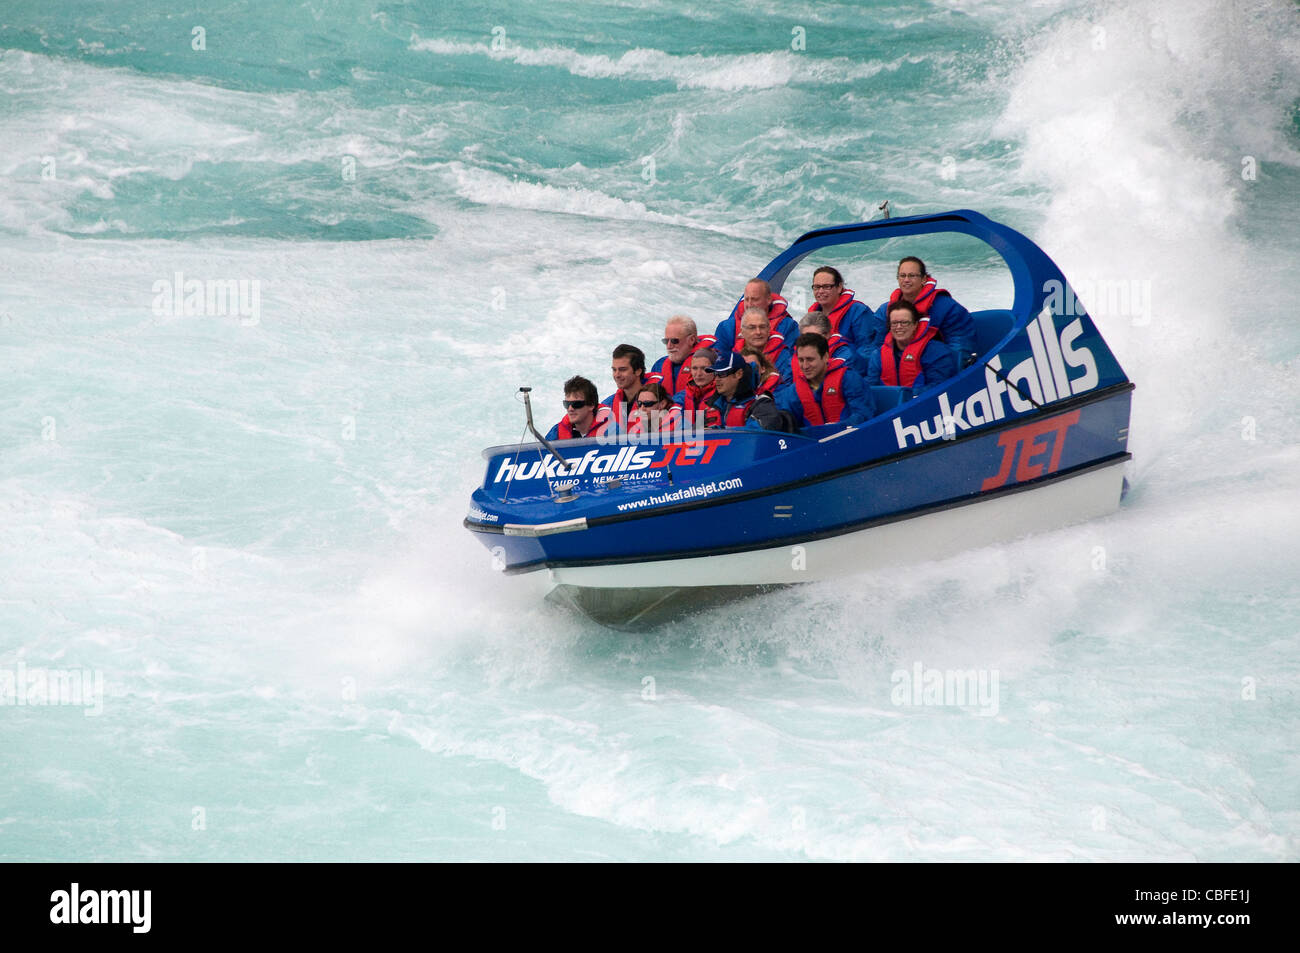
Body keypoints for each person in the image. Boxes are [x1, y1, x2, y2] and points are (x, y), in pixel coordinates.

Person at [869, 257, 975, 366]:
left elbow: (960, 346)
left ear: (924, 279)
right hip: (898, 372)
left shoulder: (947, 307)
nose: (906, 280)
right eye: (902, 275)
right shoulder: (885, 311)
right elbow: (877, 346)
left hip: (937, 368)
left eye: (912, 275)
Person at [778, 333, 875, 428]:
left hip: (849, 438)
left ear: (825, 357)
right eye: (801, 360)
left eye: (810, 359)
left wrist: (839, 427)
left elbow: (863, 414)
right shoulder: (794, 392)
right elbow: (787, 423)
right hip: (814, 441)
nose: (805, 366)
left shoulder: (849, 379)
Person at [866, 299, 958, 391]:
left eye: (904, 322)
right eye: (894, 323)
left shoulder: (936, 352)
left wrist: (907, 397)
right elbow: (872, 388)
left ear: (915, 325)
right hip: (890, 404)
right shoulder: (877, 356)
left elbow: (939, 388)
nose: (898, 327)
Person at [705, 351, 795, 432]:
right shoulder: (708, 406)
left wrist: (719, 431)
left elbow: (762, 432)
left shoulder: (761, 403)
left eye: (722, 374)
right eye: (715, 374)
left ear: (739, 374)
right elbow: (694, 436)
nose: (716, 379)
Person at [806, 265, 873, 373]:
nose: (821, 291)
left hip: (850, 371)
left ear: (839, 287)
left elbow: (866, 352)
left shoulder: (859, 311)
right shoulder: (812, 316)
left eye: (827, 286)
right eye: (817, 287)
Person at [713, 279, 799, 354]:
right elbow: (718, 361)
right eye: (747, 299)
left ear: (769, 300)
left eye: (755, 299)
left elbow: (791, 360)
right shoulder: (726, 327)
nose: (749, 304)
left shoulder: (789, 326)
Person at [648, 315, 707, 398]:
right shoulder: (659, 366)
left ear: (691, 340)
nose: (669, 346)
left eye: (674, 341)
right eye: (666, 341)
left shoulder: (708, 366)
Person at [736, 306, 792, 386]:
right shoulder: (734, 354)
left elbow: (786, 386)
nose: (758, 332)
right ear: (742, 331)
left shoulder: (784, 357)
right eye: (752, 328)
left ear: (769, 329)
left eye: (762, 327)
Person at [546, 375, 612, 440]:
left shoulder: (613, 432)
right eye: (567, 404)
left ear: (591, 405)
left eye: (576, 404)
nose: (570, 409)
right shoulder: (556, 434)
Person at [601, 343, 648, 432]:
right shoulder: (608, 405)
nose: (617, 375)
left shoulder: (657, 403)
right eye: (614, 370)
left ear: (638, 371)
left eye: (622, 370)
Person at [679, 347, 721, 429]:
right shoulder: (682, 396)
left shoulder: (723, 396)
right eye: (694, 368)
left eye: (704, 368)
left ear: (715, 369)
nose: (698, 374)